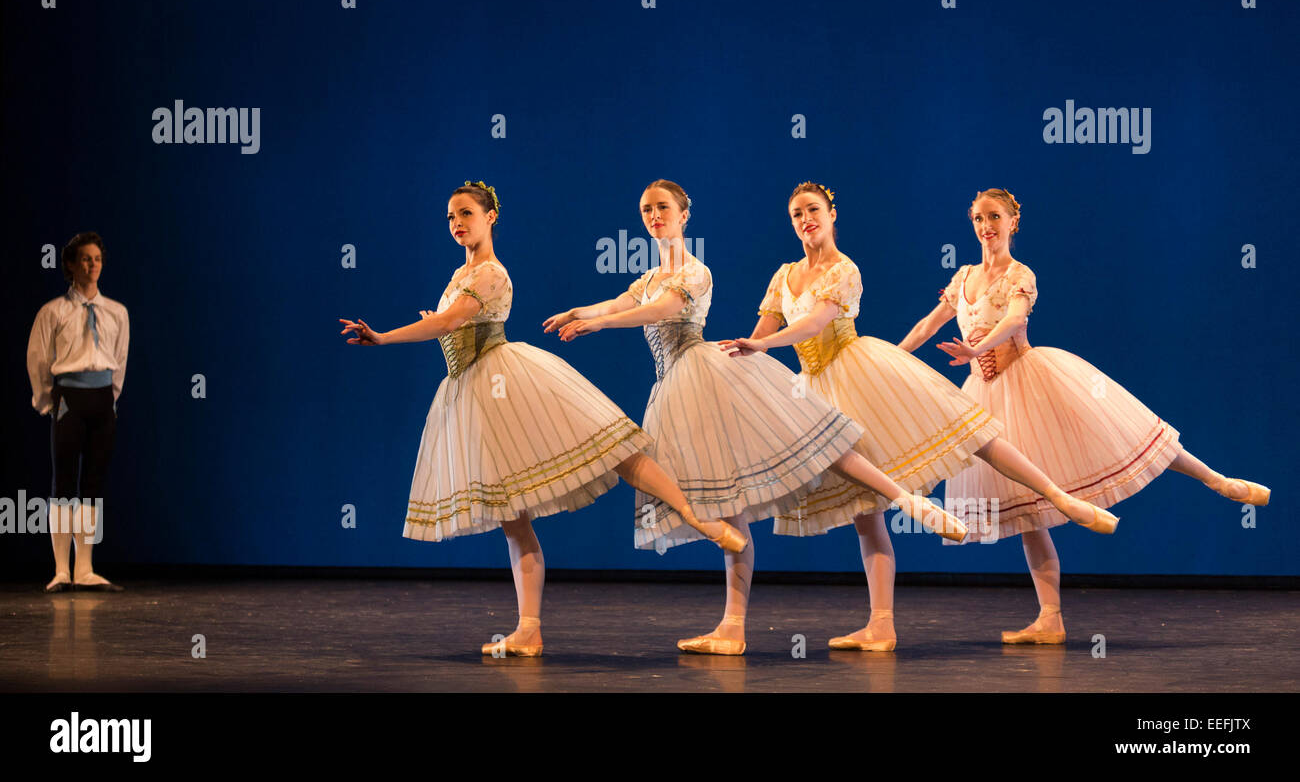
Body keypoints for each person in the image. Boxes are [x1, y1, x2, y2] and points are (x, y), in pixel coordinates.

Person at [545, 180, 967, 656]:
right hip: (678, 385)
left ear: (684, 214)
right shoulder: (647, 278)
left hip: (700, 372)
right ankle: (732, 627)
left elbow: (660, 310)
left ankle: (908, 500)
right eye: (646, 209)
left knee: (814, 442)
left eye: (663, 207)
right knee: (733, 499)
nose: (654, 215)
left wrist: (600, 323)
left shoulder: (695, 271)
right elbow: (625, 301)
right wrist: (580, 311)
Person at [339, 181, 745, 657]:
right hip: (471, 393)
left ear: (490, 217)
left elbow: (451, 322)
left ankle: (697, 517)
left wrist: (386, 337)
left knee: (609, 445)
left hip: (506, 381)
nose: (457, 224)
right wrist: (580, 311)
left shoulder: (491, 273)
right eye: (451, 217)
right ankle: (528, 629)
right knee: (513, 513)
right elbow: (616, 301)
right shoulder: (458, 274)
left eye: (466, 214)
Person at [720, 182, 1119, 653]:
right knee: (864, 511)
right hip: (817, 387)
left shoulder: (844, 269)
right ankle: (881, 625)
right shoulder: (784, 275)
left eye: (813, 210)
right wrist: (735, 359)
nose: (805, 219)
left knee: (967, 433)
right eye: (796, 214)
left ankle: (1060, 498)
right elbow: (763, 331)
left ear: (831, 215)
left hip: (854, 370)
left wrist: (768, 345)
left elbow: (813, 324)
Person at [895, 187, 1271, 643]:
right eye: (978, 218)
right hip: (984, 393)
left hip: (1031, 379)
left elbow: (1014, 321)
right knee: (1027, 510)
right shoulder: (963, 278)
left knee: (1123, 432)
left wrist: (976, 346)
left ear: (1013, 221)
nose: (985, 226)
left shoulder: (1020, 274)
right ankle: (1049, 618)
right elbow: (929, 323)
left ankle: (1217, 480)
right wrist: (894, 357)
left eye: (994, 216)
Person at [26, 232, 129, 593]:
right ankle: (61, 570)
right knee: (64, 484)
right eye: (85, 259)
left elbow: (119, 362)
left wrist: (111, 401)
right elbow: (38, 359)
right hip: (69, 397)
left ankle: (85, 568)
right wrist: (46, 401)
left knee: (93, 485)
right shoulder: (54, 311)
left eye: (97, 258)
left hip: (101, 400)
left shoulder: (116, 312)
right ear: (70, 264)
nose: (92, 265)